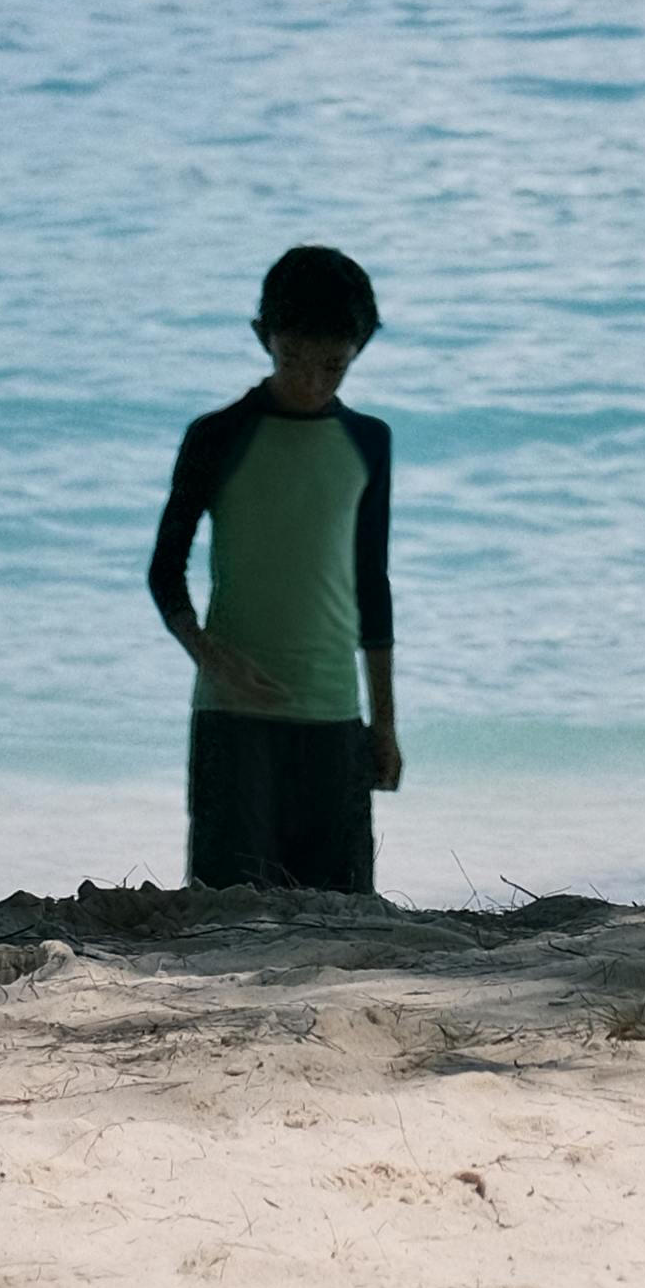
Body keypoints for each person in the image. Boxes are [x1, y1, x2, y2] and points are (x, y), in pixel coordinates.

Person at [148, 243, 401, 895]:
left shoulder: (369, 442)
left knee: (340, 914)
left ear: (360, 349)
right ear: (264, 338)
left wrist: (385, 725)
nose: (312, 380)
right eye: (294, 359)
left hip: (334, 716)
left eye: (333, 366)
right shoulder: (218, 435)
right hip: (234, 720)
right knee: (226, 910)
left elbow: (373, 588)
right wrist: (206, 652)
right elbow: (164, 568)